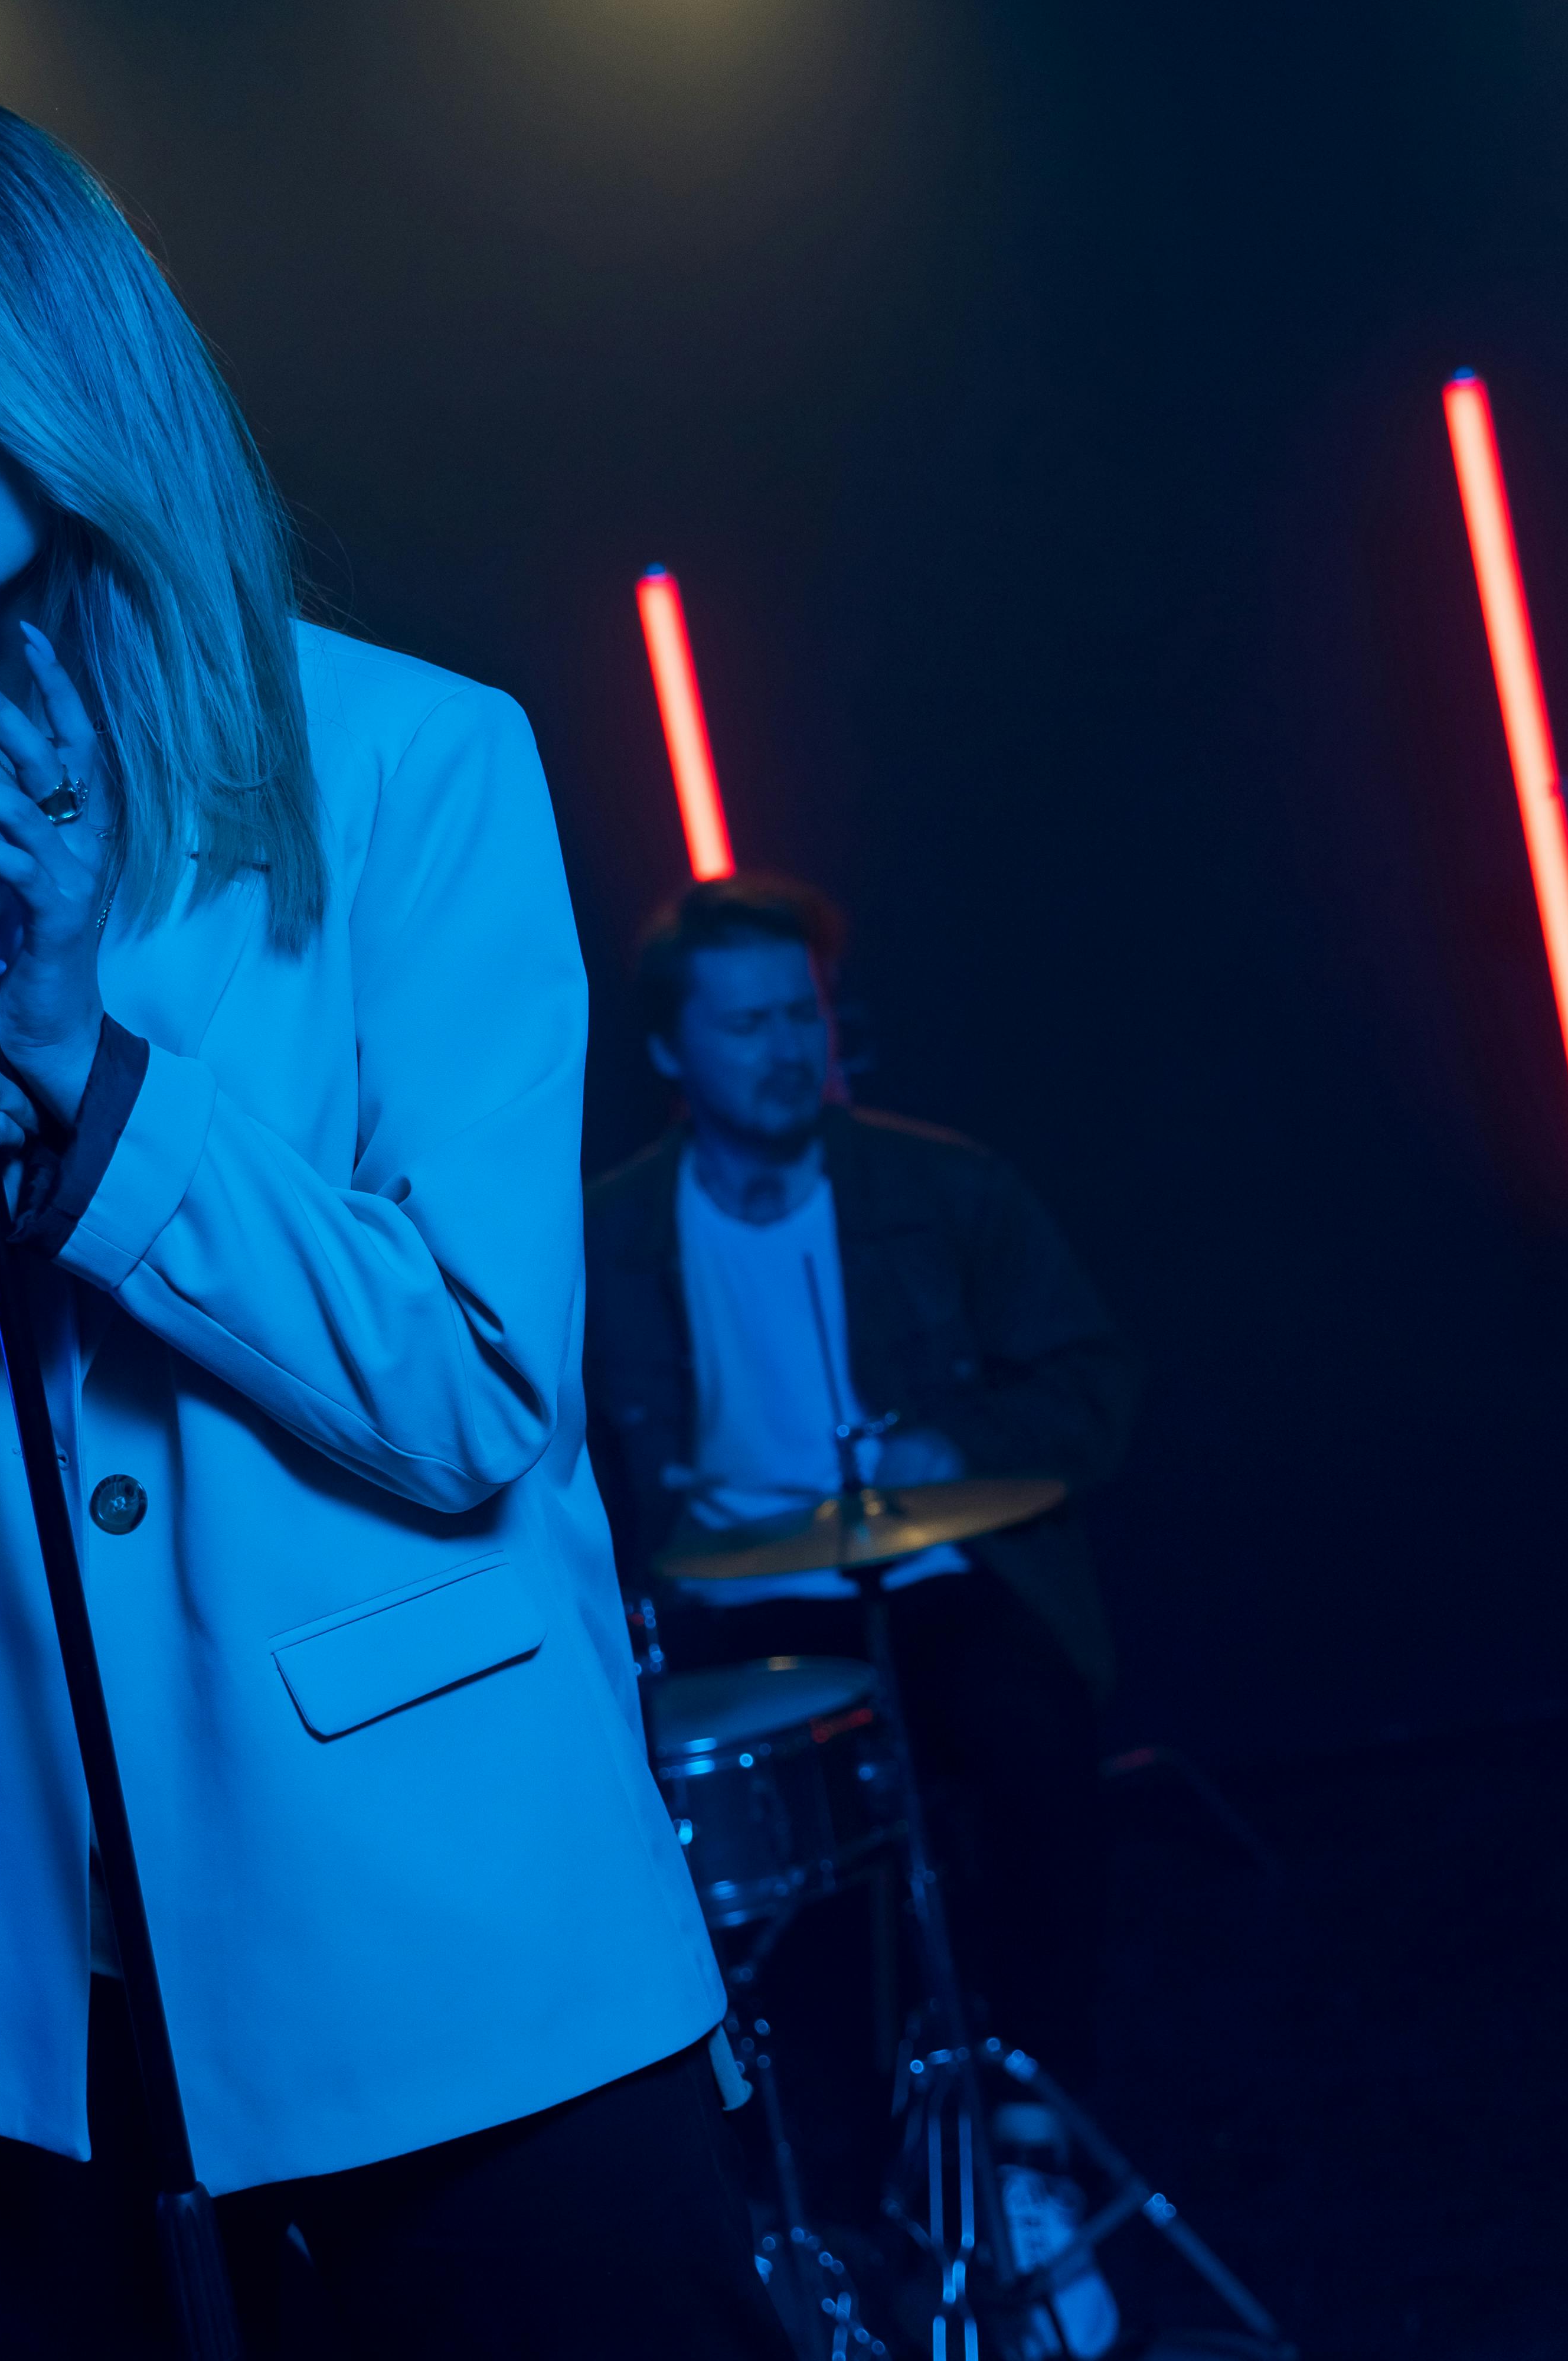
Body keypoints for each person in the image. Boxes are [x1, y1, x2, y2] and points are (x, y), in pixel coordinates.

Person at [0, 84, 786, 2359]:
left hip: (449, 1944)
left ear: (57, 332)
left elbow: (481, 1399)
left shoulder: (412, 765)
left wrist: (94, 1085)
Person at [582, 876, 1141, 2356]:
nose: (786, 1047)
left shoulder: (944, 1189)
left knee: (1031, 1734)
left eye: (803, 1014)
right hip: (730, 1604)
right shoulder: (606, 1236)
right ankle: (813, 2215)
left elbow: (1092, 1387)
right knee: (741, 1878)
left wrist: (959, 1447)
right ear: (668, 1053)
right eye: (747, 1019)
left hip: (931, 1576)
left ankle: (1027, 2149)